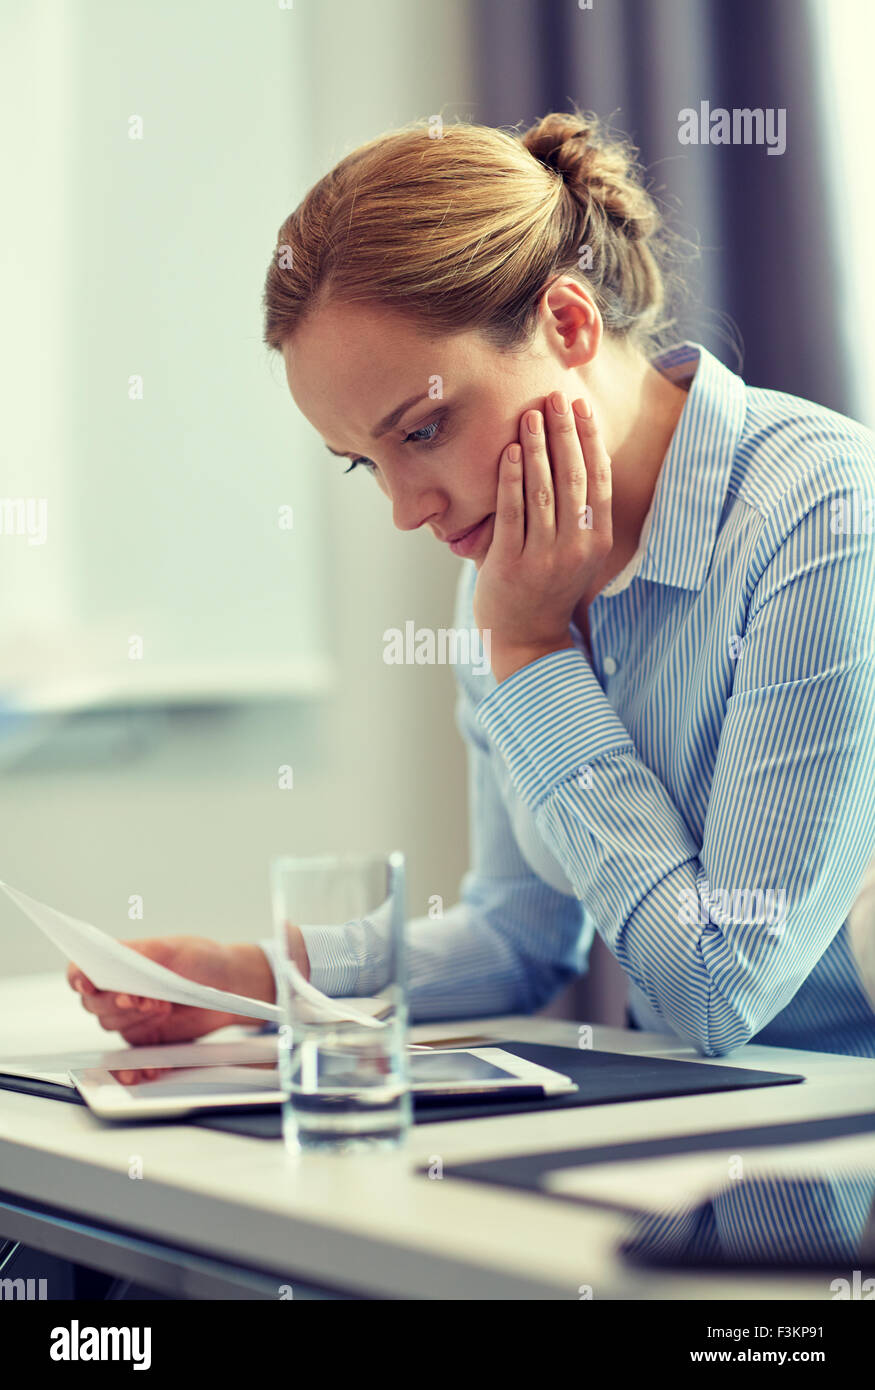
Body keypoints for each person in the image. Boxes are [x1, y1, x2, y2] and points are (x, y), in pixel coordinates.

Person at [67, 109, 875, 1058]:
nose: (411, 511)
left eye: (421, 431)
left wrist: (532, 657)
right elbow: (519, 936)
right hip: (687, 1146)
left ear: (567, 323)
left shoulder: (824, 516)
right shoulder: (508, 558)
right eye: (364, 463)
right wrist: (259, 979)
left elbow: (716, 990)